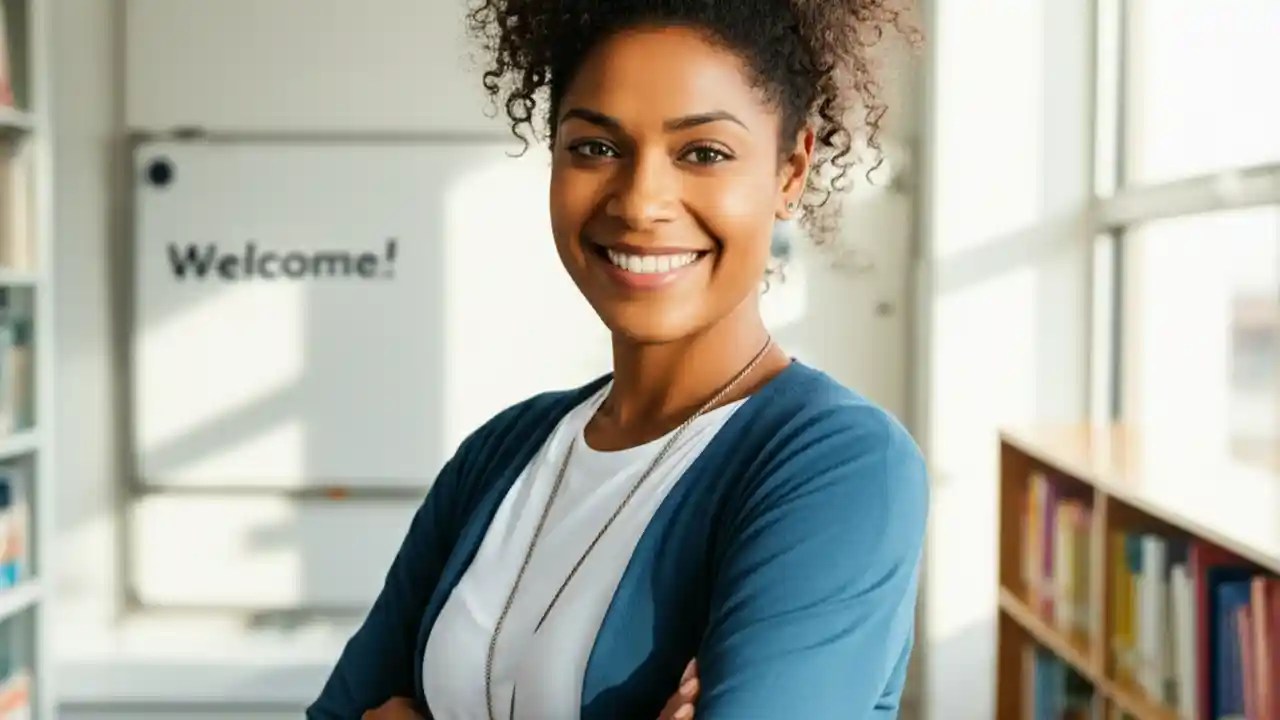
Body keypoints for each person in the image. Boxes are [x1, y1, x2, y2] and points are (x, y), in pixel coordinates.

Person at [309, 0, 926, 718]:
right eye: (596, 148)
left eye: (704, 153)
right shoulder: (503, 452)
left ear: (790, 173)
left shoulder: (838, 465)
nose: (640, 203)